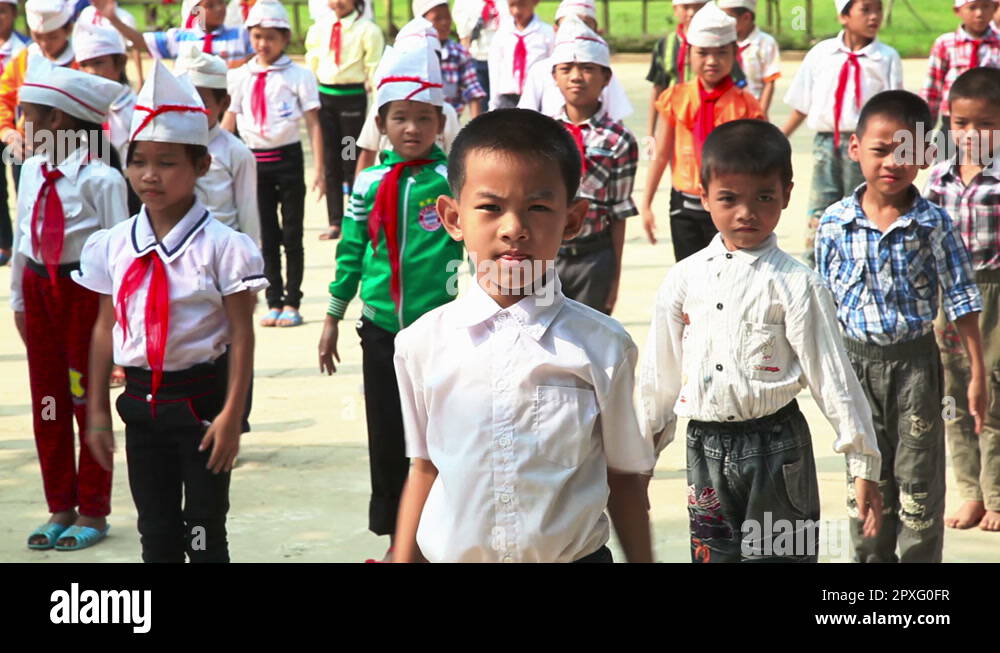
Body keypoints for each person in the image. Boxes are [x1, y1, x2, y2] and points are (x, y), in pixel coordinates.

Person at [393, 109, 654, 563]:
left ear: (572, 220)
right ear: (453, 218)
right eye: (490, 208)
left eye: (538, 207)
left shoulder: (603, 346)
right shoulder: (420, 345)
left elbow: (624, 476)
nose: (514, 228)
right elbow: (425, 467)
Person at [639, 119, 884, 562]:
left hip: (777, 450)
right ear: (703, 195)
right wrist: (641, 461)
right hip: (704, 451)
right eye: (729, 199)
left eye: (763, 197)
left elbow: (833, 378)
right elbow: (660, 378)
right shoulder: (684, 280)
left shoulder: (798, 285)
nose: (746, 213)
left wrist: (862, 461)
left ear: (787, 194)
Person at [75, 60, 266, 563]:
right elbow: (104, 327)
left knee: (204, 530)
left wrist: (232, 415)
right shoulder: (114, 245)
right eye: (138, 161)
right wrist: (97, 412)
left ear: (201, 165)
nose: (149, 175)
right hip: (140, 405)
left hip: (202, 404)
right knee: (155, 532)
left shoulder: (224, 248)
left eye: (167, 162)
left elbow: (241, 335)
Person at [816, 90, 986, 562]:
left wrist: (976, 374)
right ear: (855, 148)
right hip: (854, 371)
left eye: (905, 152)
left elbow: (961, 297)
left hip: (916, 371)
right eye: (880, 149)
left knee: (918, 483)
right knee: (865, 477)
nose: (892, 162)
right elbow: (820, 306)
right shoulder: (834, 223)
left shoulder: (933, 224)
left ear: (927, 156)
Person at [317, 20, 462, 562]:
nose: (412, 128)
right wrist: (333, 316)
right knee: (387, 437)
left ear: (440, 122)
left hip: (441, 333)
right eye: (399, 117)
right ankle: (397, 543)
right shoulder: (368, 183)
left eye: (424, 117)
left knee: (441, 438)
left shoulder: (452, 182)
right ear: (379, 123)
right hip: (380, 332)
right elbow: (351, 251)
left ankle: (439, 540)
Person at [10, 59, 128, 551]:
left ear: (57, 119)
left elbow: (120, 257)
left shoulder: (102, 180)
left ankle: (94, 510)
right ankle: (60, 504)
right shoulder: (30, 170)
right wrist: (18, 299)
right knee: (48, 402)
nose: (21, 125)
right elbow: (24, 239)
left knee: (87, 399)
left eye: (28, 115)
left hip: (85, 297)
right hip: (39, 291)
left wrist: (116, 326)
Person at [924, 67, 1000, 532]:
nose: (971, 134)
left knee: (992, 388)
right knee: (951, 391)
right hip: (948, 295)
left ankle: (996, 493)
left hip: (995, 293)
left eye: (986, 124)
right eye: (961, 123)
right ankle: (969, 490)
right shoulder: (938, 178)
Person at [225, 0, 324, 328]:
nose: (263, 44)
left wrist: (321, 168)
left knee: (292, 234)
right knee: (266, 236)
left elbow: (313, 124)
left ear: (285, 38)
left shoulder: (298, 76)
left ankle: (293, 301)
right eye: (257, 36)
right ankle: (274, 300)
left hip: (288, 160)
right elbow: (230, 120)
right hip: (255, 163)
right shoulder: (240, 76)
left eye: (270, 37)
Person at [783, 0, 903, 268]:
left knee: (861, 205)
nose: (874, 17)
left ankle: (859, 264)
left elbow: (895, 109)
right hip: (826, 144)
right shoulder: (822, 54)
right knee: (821, 205)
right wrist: (779, 137)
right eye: (865, 10)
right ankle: (815, 265)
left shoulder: (886, 57)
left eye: (878, 10)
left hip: (869, 147)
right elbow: (801, 104)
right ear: (844, 16)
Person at [641, 1, 763, 262]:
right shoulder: (676, 98)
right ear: (689, 54)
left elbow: (758, 164)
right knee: (690, 273)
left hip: (731, 207)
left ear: (734, 53)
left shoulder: (745, 105)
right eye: (703, 53)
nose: (712, 61)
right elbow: (661, 154)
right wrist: (646, 203)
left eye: (721, 53)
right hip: (685, 205)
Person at [550, 17, 638, 315]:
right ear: (554, 76)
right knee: (540, 331)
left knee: (589, 333)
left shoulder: (619, 139)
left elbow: (619, 211)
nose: (576, 77)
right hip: (547, 256)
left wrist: (614, 277)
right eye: (566, 69)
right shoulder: (542, 133)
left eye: (588, 68)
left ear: (606, 77)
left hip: (595, 257)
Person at [304, 0, 384, 241]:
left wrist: (378, 105)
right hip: (326, 101)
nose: (338, 2)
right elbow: (312, 62)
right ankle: (335, 220)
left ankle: (354, 218)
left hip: (351, 102)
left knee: (349, 158)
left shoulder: (367, 30)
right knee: (330, 161)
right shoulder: (319, 28)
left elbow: (374, 69)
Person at [174, 45, 259, 245]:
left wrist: (251, 254)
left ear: (224, 103)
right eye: (183, 100)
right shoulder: (165, 147)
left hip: (222, 249)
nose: (191, 110)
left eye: (201, 103)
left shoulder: (236, 152)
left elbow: (248, 212)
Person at [0, 0, 78, 194]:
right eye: (38, 37)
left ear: (68, 29)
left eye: (52, 37)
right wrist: (7, 131)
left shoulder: (80, 61)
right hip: (25, 148)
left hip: (72, 150)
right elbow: (3, 98)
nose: (44, 44)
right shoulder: (23, 58)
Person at [516, 0, 633, 120]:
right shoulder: (539, 70)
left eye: (585, 23)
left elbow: (614, 115)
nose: (575, 77)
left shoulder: (598, 71)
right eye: (565, 69)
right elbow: (526, 115)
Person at [71, 18, 138, 216]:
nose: (92, 72)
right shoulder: (77, 111)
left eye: (99, 63)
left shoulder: (136, 109)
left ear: (120, 62)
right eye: (84, 65)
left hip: (129, 189)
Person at [94, 0, 253, 68]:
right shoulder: (180, 39)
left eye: (221, 2)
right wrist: (113, 19)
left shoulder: (241, 35)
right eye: (210, 5)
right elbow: (142, 42)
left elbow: (258, 55)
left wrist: (237, 64)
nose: (220, 8)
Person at [921, 0, 1000, 133]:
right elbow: (933, 87)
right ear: (957, 11)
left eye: (986, 6)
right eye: (972, 8)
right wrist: (925, 126)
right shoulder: (946, 44)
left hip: (990, 122)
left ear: (995, 8)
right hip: (954, 121)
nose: (979, 13)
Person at [647, 0, 706, 139]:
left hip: (706, 116)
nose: (692, 13)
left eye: (699, 7)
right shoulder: (665, 44)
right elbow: (658, 87)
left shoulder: (718, 44)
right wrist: (650, 134)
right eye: (686, 7)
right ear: (675, 9)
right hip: (672, 118)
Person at [416, 0, 485, 119]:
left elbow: (473, 92)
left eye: (447, 17)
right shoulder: (414, 53)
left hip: (450, 122)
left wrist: (477, 126)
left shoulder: (459, 54)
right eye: (437, 18)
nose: (444, 22)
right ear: (422, 22)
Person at [0, 0, 28, 265]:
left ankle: (25, 244)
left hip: (17, 131)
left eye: (2, 10)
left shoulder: (26, 50)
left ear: (14, 13)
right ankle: (4, 244)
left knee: (24, 186)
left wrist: (10, 130)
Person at [487, 0, 553, 110]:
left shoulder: (547, 33)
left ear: (535, 2)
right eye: (511, 5)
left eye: (522, 4)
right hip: (507, 99)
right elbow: (495, 70)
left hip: (537, 96)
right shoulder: (502, 34)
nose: (516, 11)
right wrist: (493, 103)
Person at [718, 0, 780, 116]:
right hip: (726, 108)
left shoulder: (766, 42)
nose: (723, 22)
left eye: (728, 17)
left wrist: (761, 112)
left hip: (753, 108)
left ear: (746, 17)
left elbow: (769, 82)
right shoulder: (722, 41)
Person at [453, 0, 509, 113]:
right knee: (481, 105)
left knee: (504, 106)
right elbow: (464, 35)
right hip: (478, 58)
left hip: (504, 61)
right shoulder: (464, 3)